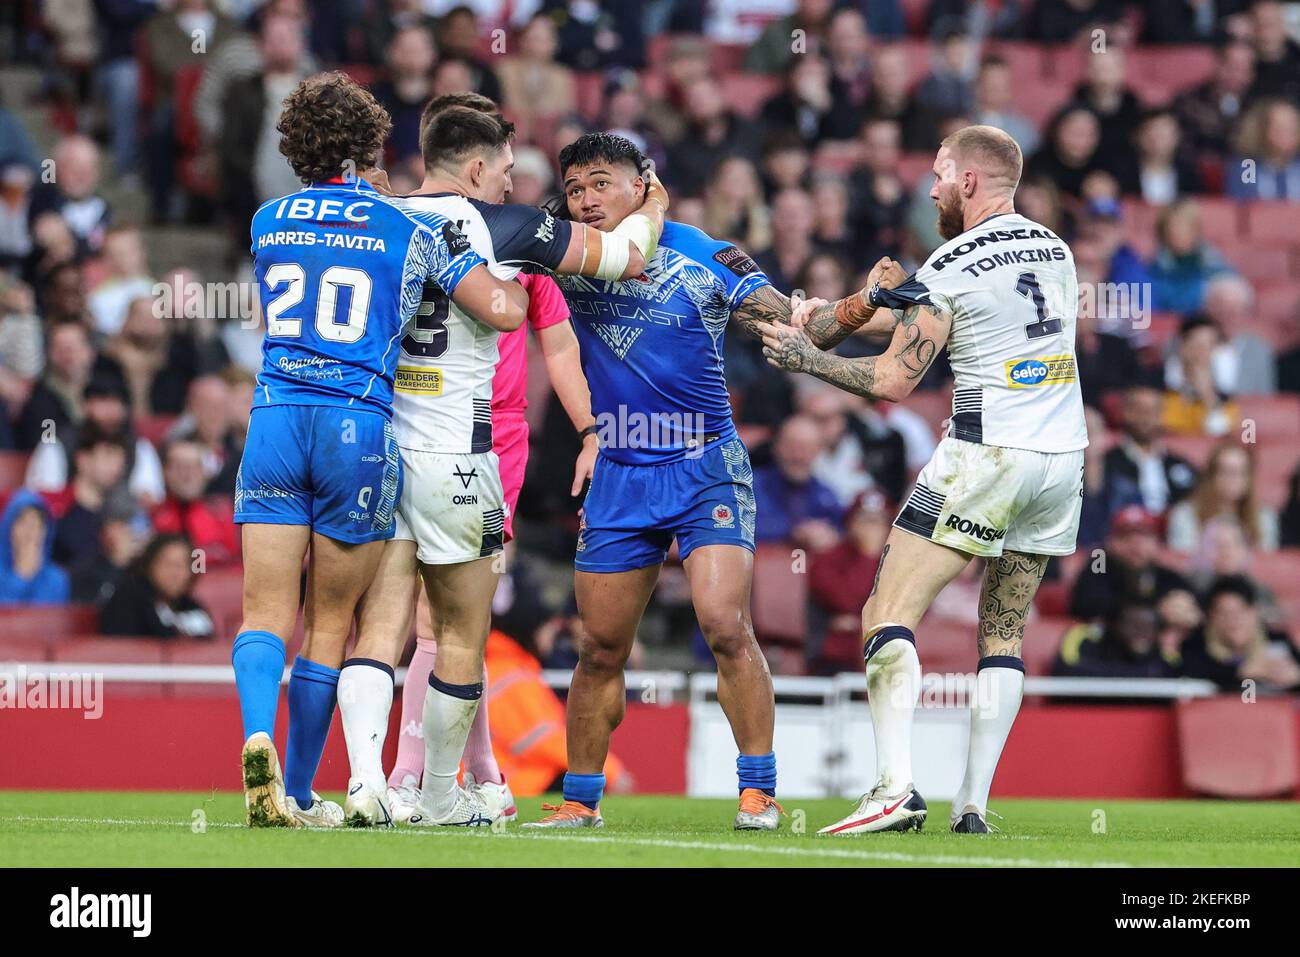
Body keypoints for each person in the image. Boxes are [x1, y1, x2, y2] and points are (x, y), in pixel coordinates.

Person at [526, 132, 902, 832]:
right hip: (620, 468)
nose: (584, 199)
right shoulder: (568, 254)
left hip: (705, 468)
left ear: (644, 183)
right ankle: (581, 798)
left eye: (600, 183)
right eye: (574, 188)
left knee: (725, 626)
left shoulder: (709, 255)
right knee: (600, 648)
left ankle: (757, 791)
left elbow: (804, 328)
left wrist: (860, 302)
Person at [341, 107, 667, 828]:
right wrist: (653, 206)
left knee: (394, 622)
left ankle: (404, 780)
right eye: (510, 168)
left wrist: (587, 426)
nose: (514, 181)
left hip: (388, 438)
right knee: (452, 628)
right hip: (462, 447)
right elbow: (626, 258)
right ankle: (427, 785)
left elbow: (556, 351)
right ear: (482, 167)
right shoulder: (508, 230)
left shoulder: (380, 216)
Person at [759, 126, 1088, 835]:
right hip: (1061, 459)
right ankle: (971, 803)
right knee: (1002, 631)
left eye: (939, 175)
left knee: (885, 612)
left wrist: (803, 357)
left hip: (985, 452)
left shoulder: (952, 261)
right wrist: (843, 314)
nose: (932, 188)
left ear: (969, 181)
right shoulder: (1053, 247)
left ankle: (894, 789)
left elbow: (892, 381)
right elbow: (960, 325)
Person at [229, 73, 524, 829]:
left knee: (265, 613)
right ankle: (296, 790)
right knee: (332, 622)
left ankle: (257, 736)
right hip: (357, 426)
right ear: (369, 146)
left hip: (274, 416)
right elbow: (493, 305)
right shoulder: (406, 226)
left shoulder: (268, 220)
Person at [1180, 575, 1300, 693]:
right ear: (1211, 616)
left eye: (1241, 610)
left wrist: (1295, 677)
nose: (1234, 620)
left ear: (1254, 611)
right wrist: (1244, 672)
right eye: (1224, 613)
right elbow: (1189, 673)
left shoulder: (1277, 639)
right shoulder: (1196, 645)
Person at [1167, 442, 1279, 552]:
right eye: (1225, 471)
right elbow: (1182, 562)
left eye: (1241, 472)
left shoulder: (1264, 517)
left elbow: (1267, 561)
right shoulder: (1185, 514)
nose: (1233, 479)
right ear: (1211, 476)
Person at [100, 534, 215, 639]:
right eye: (168, 564)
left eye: (182, 565)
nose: (175, 573)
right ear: (149, 566)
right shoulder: (127, 600)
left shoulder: (192, 607)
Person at [0, 490, 69, 606]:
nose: (31, 531)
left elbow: (54, 621)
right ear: (8, 528)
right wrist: (20, 578)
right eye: (23, 522)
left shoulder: (57, 579)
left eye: (38, 524)